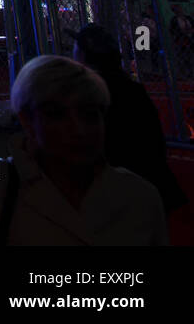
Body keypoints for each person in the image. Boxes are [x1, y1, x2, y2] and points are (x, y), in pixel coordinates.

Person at [0, 56, 167, 245]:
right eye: (57, 115)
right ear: (27, 120)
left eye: (89, 114)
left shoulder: (139, 195)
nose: (78, 129)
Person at [71, 24, 187, 217]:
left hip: (121, 193)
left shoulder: (89, 95)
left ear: (84, 55)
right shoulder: (131, 89)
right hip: (150, 187)